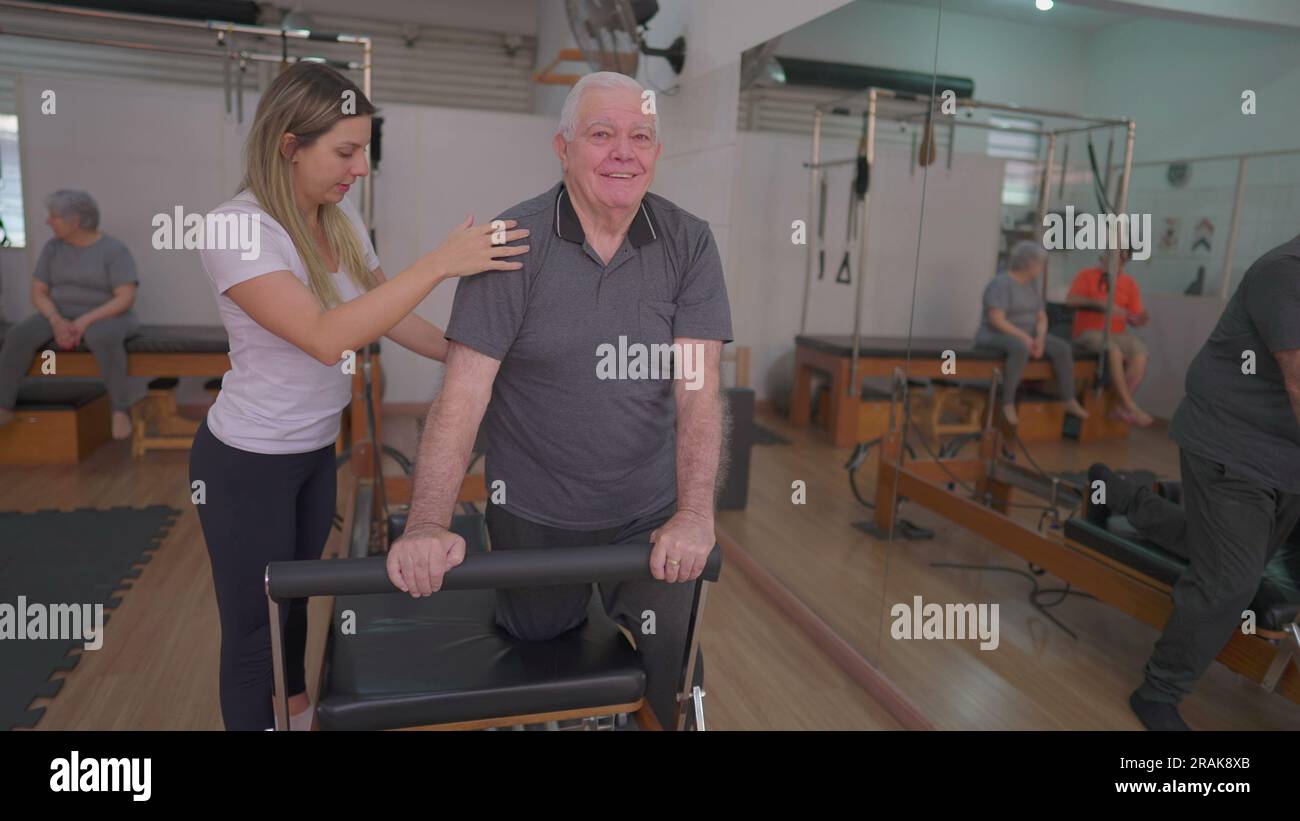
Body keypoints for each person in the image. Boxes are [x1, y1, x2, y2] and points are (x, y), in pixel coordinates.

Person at [385, 71, 734, 731]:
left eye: (641, 137)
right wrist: (427, 522)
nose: (623, 152)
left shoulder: (689, 242)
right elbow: (462, 393)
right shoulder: (512, 242)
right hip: (535, 511)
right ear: (564, 146)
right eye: (602, 134)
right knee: (540, 663)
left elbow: (698, 389)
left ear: (657, 152)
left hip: (647, 514)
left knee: (674, 664)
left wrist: (693, 513)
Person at [190, 62, 529, 731]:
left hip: (316, 453)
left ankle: (294, 712)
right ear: (289, 144)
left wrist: (481, 358)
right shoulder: (237, 228)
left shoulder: (336, 215)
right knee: (253, 626)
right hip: (246, 465)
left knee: (291, 603)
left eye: (364, 152)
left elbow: (386, 314)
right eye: (346, 152)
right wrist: (438, 262)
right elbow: (322, 336)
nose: (360, 169)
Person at [1104, 233, 1300, 731]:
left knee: (1230, 554)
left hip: (1287, 454)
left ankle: (1125, 497)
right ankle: (1158, 691)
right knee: (1230, 582)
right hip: (1231, 441)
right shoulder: (1284, 274)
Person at [0, 190, 140, 439]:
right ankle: (3, 405)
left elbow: (125, 297)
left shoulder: (113, 250)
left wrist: (84, 321)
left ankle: (120, 410)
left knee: (101, 336)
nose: (48, 221)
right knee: (18, 334)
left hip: (108, 315)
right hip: (59, 313)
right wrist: (56, 320)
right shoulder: (52, 249)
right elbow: (39, 292)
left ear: (75, 221)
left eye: (54, 217)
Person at [975, 241, 1089, 427]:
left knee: (1061, 348)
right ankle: (1008, 403)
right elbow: (997, 320)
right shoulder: (1001, 284)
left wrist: (1041, 340)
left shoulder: (1032, 286)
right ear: (1029, 264)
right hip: (996, 335)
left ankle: (1069, 399)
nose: (1042, 269)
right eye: (1041, 264)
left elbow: (1041, 317)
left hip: (1029, 335)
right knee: (1019, 348)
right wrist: (1027, 339)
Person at [1066, 249, 1153, 426]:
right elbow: (1071, 301)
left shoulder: (1129, 283)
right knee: (1113, 350)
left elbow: (1134, 316)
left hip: (1118, 333)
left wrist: (1140, 318)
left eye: (1121, 261)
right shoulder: (1087, 276)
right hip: (1089, 333)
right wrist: (1098, 303)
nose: (1116, 264)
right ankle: (1130, 406)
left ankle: (1121, 406)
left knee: (1140, 351)